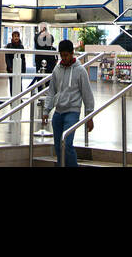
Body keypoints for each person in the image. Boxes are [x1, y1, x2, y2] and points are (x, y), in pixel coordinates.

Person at [43, 39, 95, 167]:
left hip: (72, 112)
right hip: (58, 112)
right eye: (62, 55)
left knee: (67, 144)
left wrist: (89, 116)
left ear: (72, 53)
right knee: (58, 146)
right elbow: (51, 91)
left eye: (66, 55)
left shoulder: (80, 71)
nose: (64, 58)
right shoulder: (57, 69)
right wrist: (46, 111)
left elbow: (87, 94)